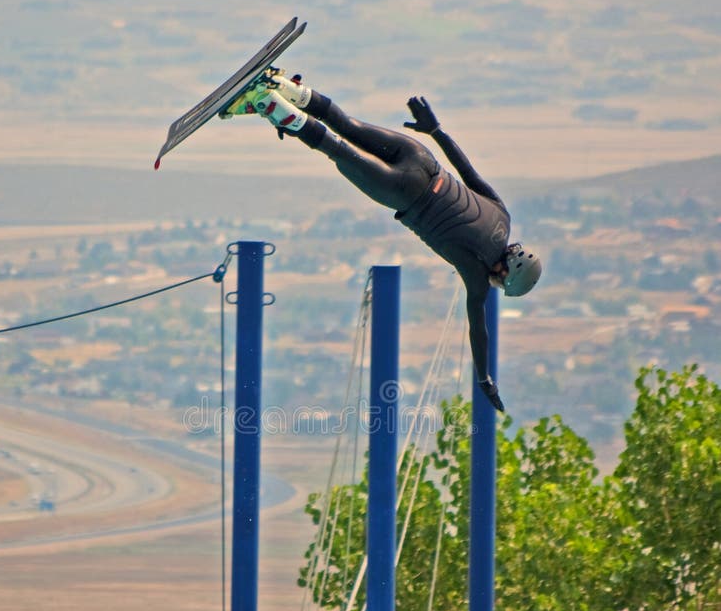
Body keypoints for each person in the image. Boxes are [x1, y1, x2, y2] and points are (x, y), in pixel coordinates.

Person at [224, 72, 542, 411]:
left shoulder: (502, 215)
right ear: (506, 274)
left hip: (423, 159)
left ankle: (284, 88)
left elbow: (468, 170)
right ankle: (269, 103)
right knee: (336, 148)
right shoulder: (478, 273)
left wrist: (435, 131)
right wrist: (484, 379)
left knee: (344, 124)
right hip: (403, 193)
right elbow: (479, 331)